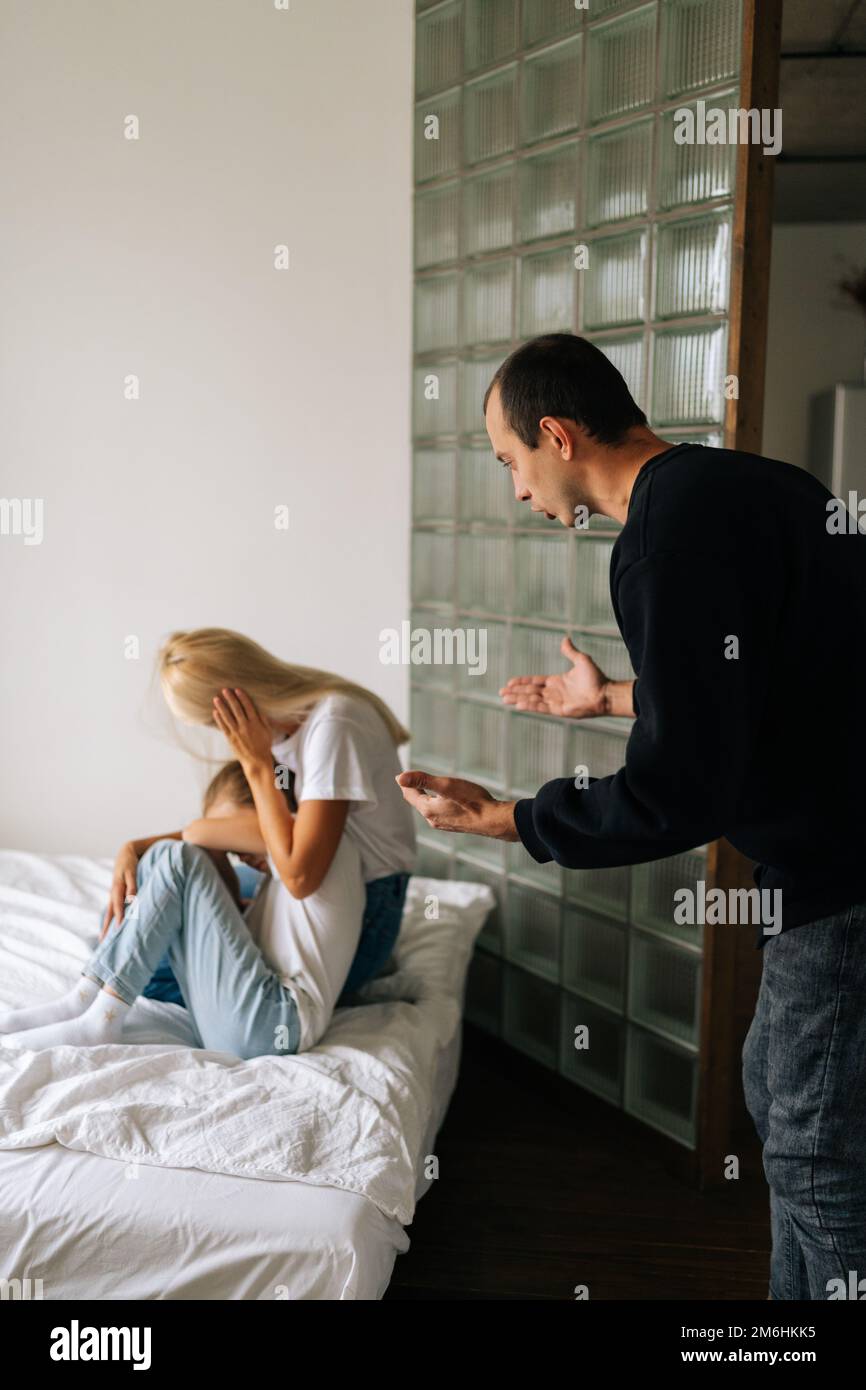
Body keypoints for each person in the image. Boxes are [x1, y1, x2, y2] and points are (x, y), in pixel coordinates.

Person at [396, 332, 866, 1301]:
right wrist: (612, 699)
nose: (517, 492)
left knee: (817, 1159)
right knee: (783, 1109)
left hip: (842, 877)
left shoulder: (659, 543)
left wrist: (512, 821)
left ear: (557, 434)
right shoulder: (753, 484)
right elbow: (777, 687)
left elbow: (682, 792)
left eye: (510, 462)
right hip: (834, 858)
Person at [1, 628, 416, 1057]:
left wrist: (254, 768)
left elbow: (298, 871)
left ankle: (96, 1012)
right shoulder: (298, 763)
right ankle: (88, 997)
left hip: (357, 910)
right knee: (140, 930)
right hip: (303, 911)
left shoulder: (332, 726)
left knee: (176, 866)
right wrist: (140, 848)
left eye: (212, 725)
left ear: (234, 707)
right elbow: (269, 839)